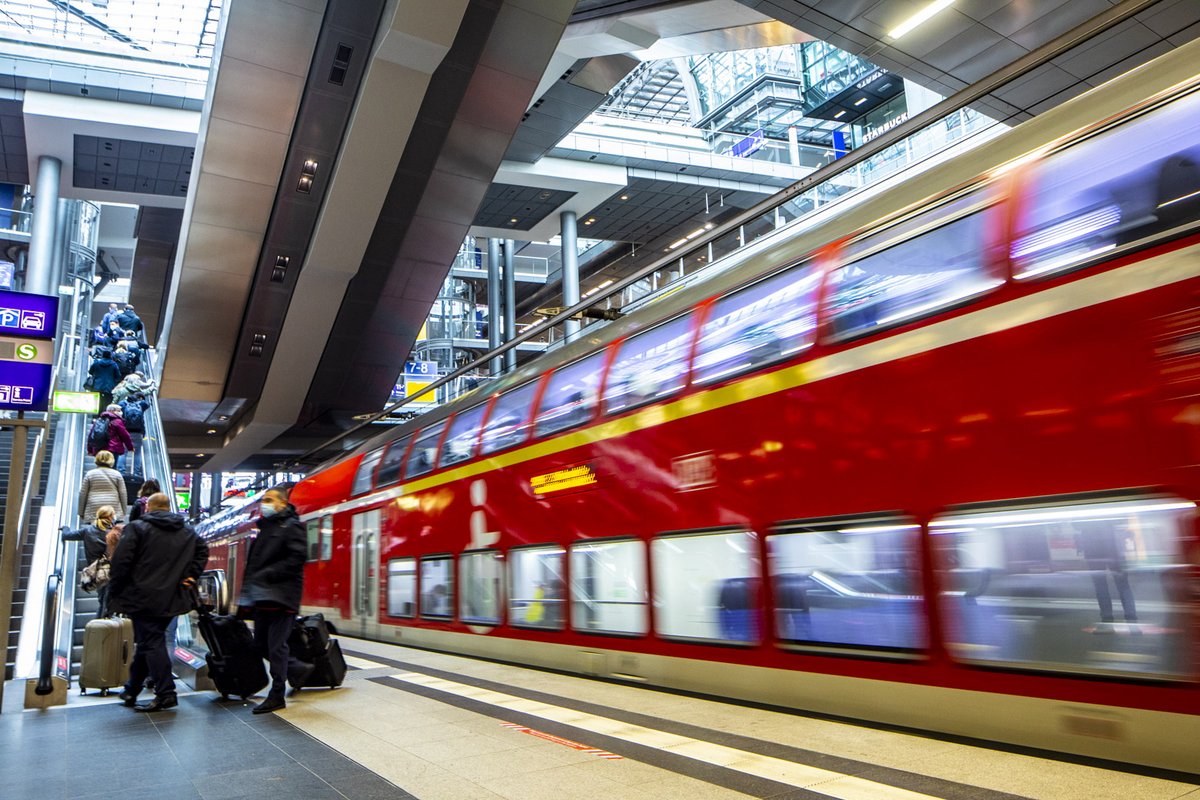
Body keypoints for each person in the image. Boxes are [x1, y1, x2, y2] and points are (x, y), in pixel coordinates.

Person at [108, 493, 207, 712]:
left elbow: (121, 562)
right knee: (148, 642)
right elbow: (203, 550)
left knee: (151, 642)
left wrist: (114, 592)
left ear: (148, 508)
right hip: (173, 598)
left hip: (142, 597)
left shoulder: (137, 528)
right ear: (168, 507)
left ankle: (166, 693)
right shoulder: (186, 531)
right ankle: (131, 689)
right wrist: (192, 574)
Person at [239, 486, 310, 714]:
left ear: (283, 503)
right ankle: (297, 669)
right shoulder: (266, 528)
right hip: (262, 597)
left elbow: (298, 558)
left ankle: (277, 694)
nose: (265, 504)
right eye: (264, 500)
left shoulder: (292, 526)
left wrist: (270, 574)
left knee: (277, 647)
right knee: (261, 645)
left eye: (269, 500)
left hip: (282, 597)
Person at [62, 506, 119, 618]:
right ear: (110, 517)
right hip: (111, 571)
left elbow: (67, 535)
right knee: (108, 602)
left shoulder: (87, 531)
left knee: (102, 601)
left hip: (96, 572)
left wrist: (65, 528)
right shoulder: (113, 533)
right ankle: (103, 623)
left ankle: (101, 622)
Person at [78, 451, 127, 523]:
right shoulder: (117, 474)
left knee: (95, 528)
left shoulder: (89, 474)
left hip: (94, 506)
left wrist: (81, 512)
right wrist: (124, 511)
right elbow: (123, 493)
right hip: (112, 506)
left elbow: (83, 494)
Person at [93, 404, 134, 471]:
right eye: (118, 410)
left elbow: (92, 435)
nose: (121, 412)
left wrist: (90, 449)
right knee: (111, 469)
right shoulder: (117, 421)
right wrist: (130, 447)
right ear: (111, 411)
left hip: (100, 448)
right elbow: (125, 435)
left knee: (100, 468)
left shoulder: (99, 420)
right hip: (113, 448)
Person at [119, 394, 150, 475]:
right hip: (138, 432)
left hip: (126, 431)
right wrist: (141, 398)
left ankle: (121, 471)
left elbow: (118, 406)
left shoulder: (124, 404)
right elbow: (147, 404)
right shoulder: (141, 404)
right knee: (137, 453)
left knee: (123, 452)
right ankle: (136, 472)